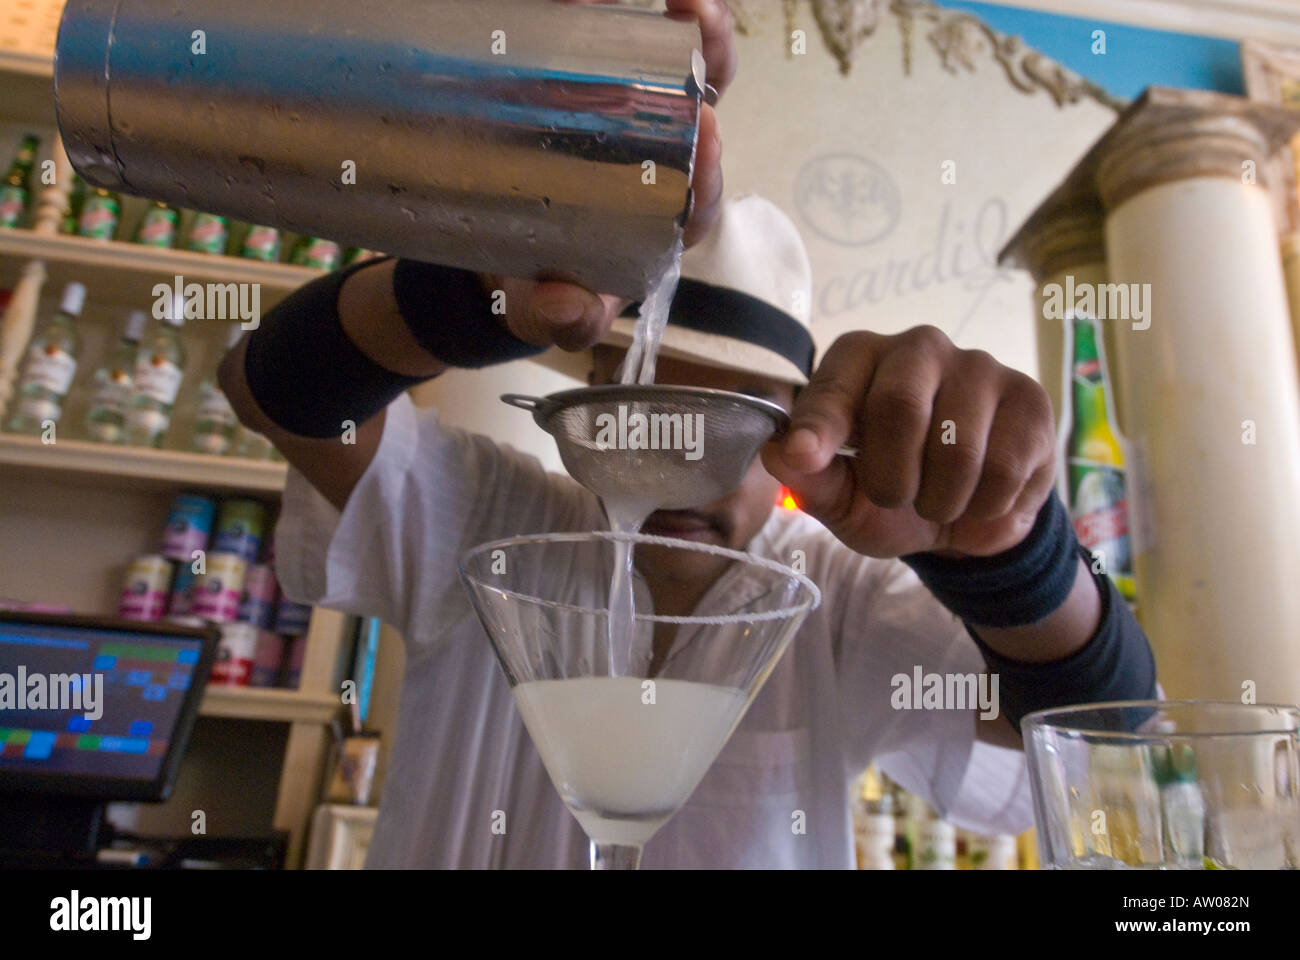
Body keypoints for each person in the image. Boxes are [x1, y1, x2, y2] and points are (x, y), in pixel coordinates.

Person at [218, 3, 1156, 869]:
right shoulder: (490, 529)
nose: (681, 476)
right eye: (642, 418)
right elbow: (277, 387)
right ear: (586, 398)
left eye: (727, 431)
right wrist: (481, 290)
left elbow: (1098, 721)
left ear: (808, 438)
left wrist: (1006, 553)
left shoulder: (831, 603)